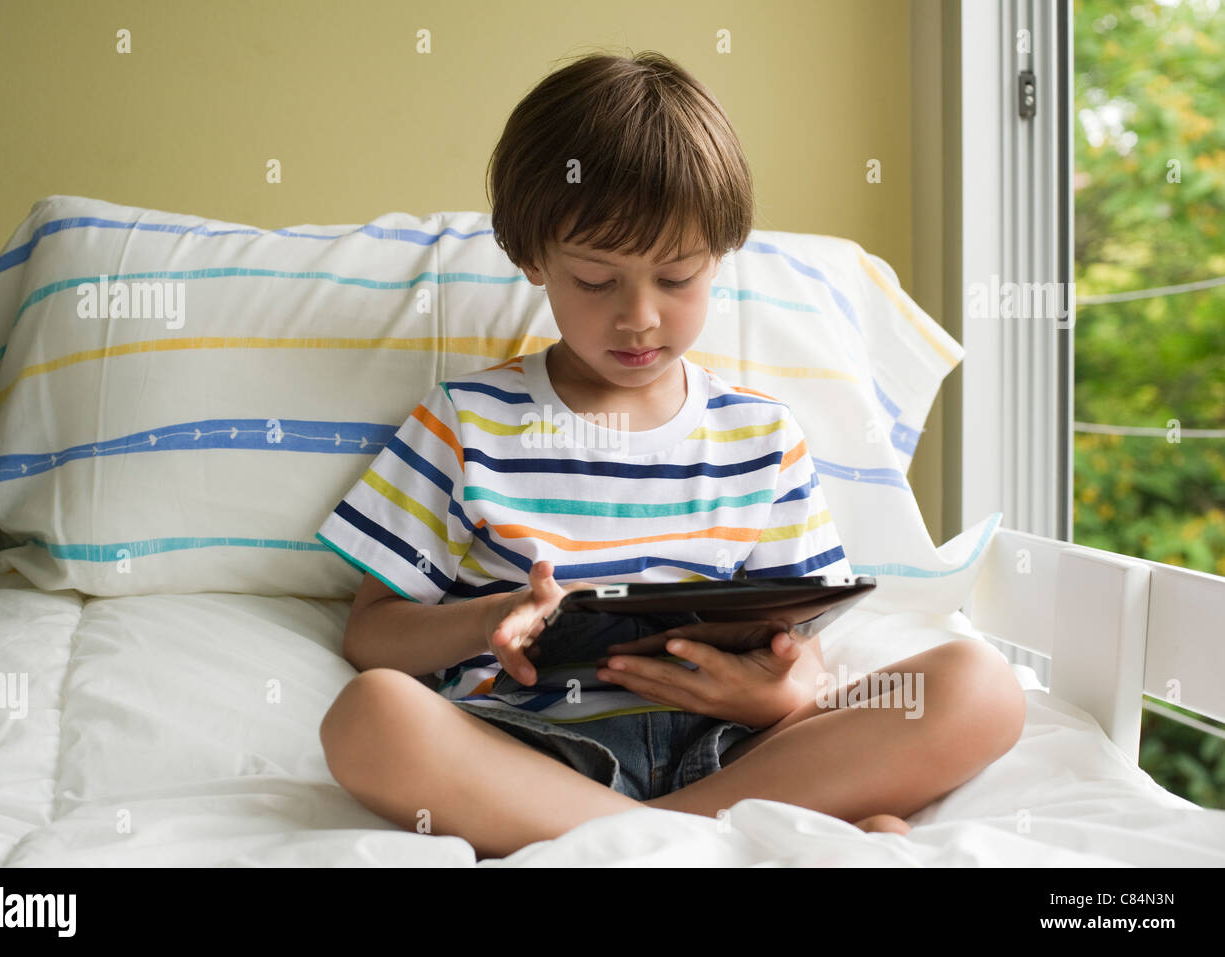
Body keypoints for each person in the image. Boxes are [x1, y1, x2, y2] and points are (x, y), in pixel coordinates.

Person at [316, 51, 1027, 861]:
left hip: (728, 746)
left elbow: (806, 657)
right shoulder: (466, 421)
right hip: (532, 745)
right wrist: (484, 622)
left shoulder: (761, 437)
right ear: (533, 258)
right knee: (369, 715)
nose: (640, 317)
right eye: (596, 280)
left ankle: (654, 834)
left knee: (981, 686)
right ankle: (736, 835)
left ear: (719, 258)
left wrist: (776, 693)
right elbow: (369, 635)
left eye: (676, 277)